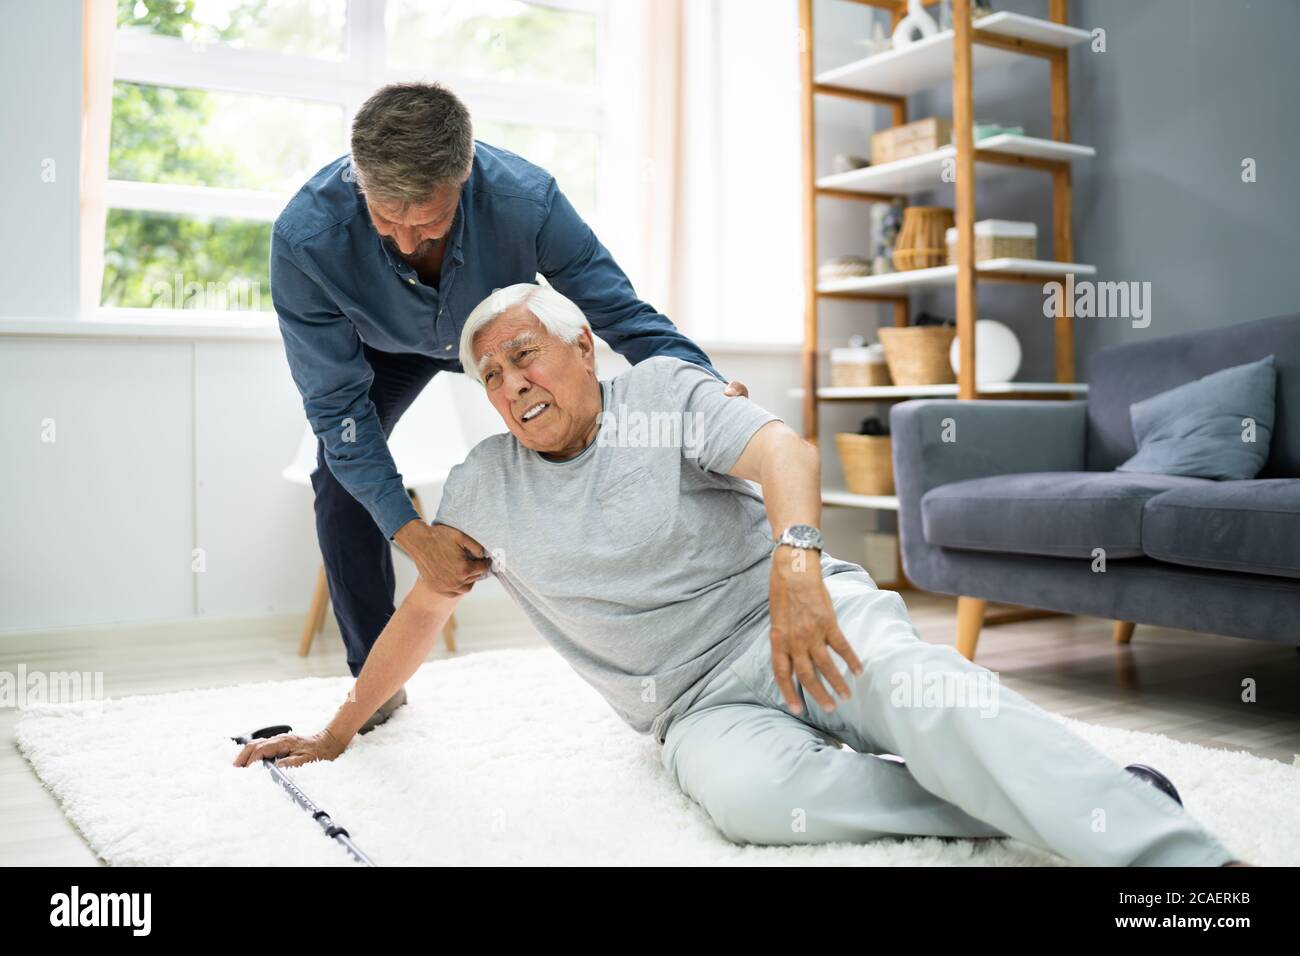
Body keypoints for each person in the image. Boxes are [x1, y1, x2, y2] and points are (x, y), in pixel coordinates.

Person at [238, 283, 1248, 866]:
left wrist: (797, 564)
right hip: (693, 705)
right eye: (492, 377)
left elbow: (783, 454)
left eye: (525, 355)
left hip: (797, 618)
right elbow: (421, 611)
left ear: (584, 347)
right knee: (754, 799)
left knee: (929, 701)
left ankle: (1180, 864)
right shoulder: (482, 486)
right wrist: (337, 727)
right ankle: (1024, 800)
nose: (512, 385)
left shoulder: (667, 392)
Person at [270, 83, 746, 729]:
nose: (408, 243)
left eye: (429, 221)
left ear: (463, 176)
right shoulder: (305, 239)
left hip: (498, 338)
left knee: (608, 427)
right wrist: (412, 534)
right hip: (384, 348)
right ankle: (373, 684)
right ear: (358, 180)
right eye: (387, 221)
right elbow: (337, 408)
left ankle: (671, 623)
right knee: (339, 475)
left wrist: (708, 391)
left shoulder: (528, 199)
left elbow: (621, 315)